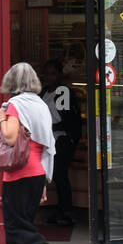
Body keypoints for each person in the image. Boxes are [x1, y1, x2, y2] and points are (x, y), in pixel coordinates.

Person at [0, 62, 70, 244]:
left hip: (18, 174)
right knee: (21, 224)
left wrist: (1, 118)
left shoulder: (14, 105)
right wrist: (44, 181)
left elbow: (10, 137)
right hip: (36, 174)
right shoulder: (41, 105)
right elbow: (47, 145)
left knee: (15, 226)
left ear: (11, 82)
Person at [41, 59, 80, 226]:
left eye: (53, 73)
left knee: (60, 175)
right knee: (56, 176)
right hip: (48, 139)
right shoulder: (44, 92)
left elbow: (69, 121)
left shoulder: (62, 92)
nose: (49, 77)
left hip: (61, 139)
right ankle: (61, 209)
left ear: (59, 75)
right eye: (47, 73)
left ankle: (66, 211)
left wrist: (50, 126)